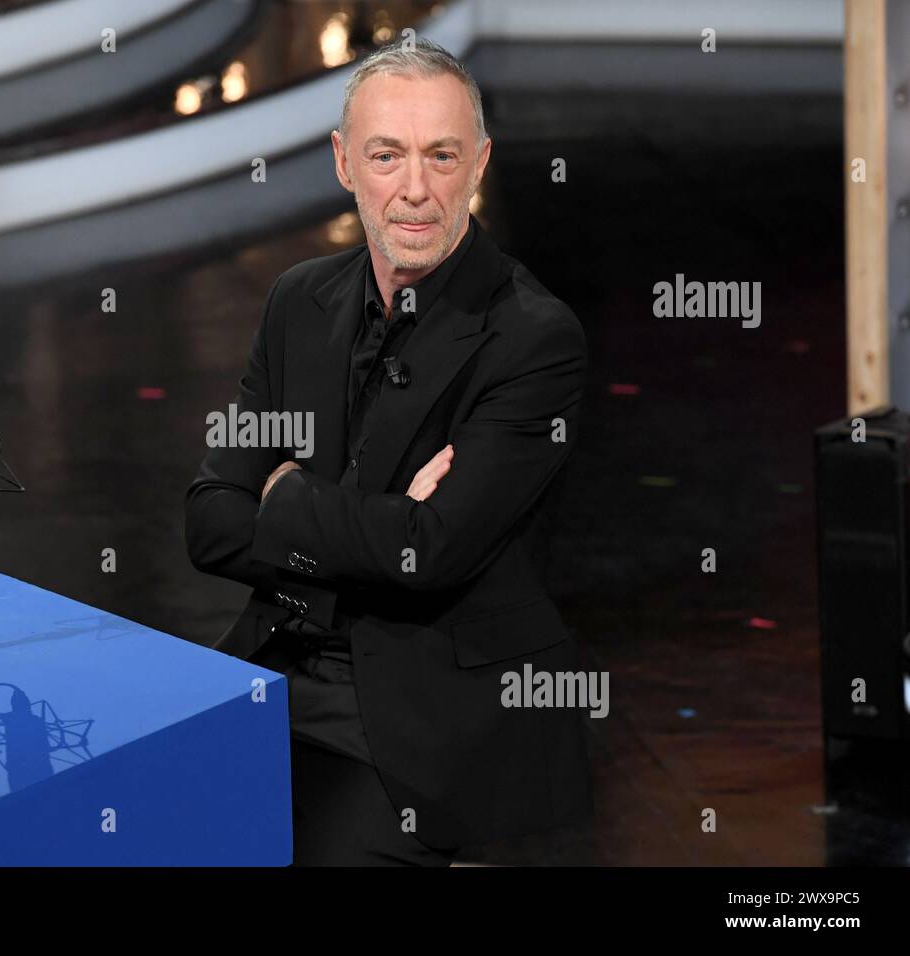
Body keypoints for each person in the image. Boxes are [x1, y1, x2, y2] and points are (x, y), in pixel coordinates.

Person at [185, 36, 593, 865]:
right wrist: (380, 523)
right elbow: (210, 523)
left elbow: (428, 553)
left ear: (478, 165)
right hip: (274, 673)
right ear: (344, 163)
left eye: (441, 156)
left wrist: (288, 501)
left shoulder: (533, 337)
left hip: (420, 720)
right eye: (387, 155)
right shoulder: (300, 299)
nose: (415, 189)